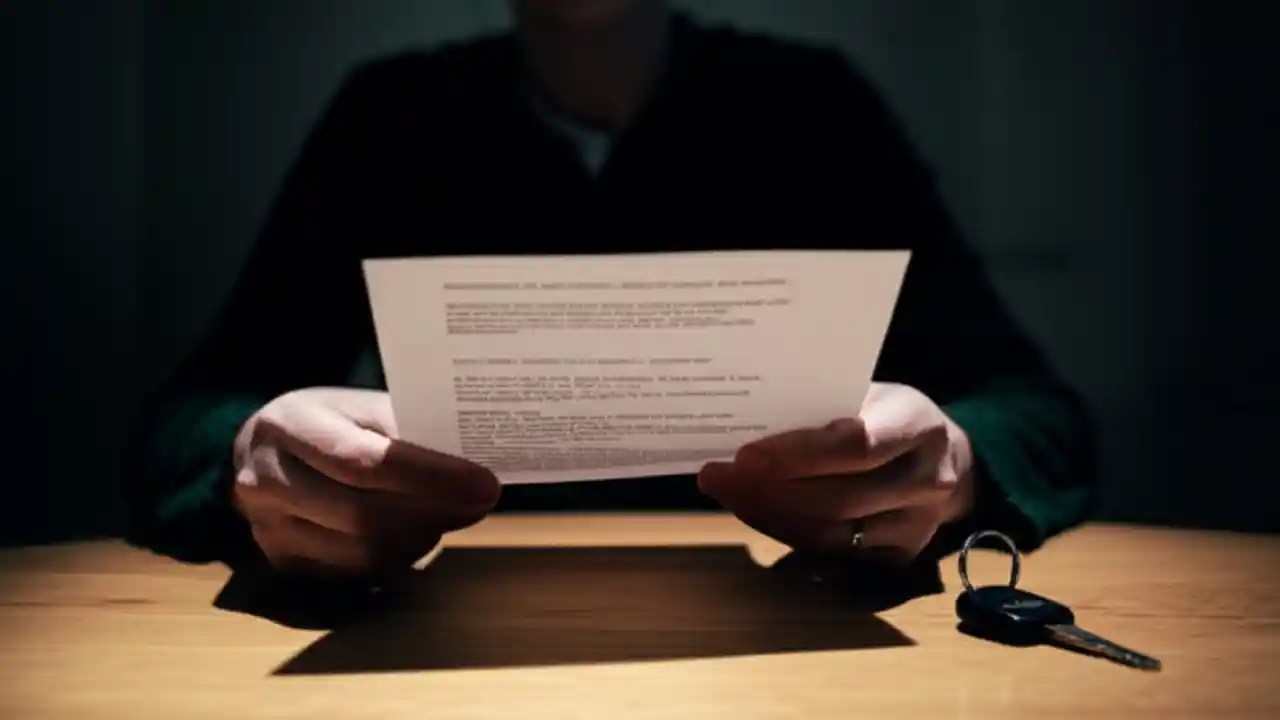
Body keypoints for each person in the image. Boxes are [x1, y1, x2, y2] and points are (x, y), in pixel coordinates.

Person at [124, 0, 1095, 579]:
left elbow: (1037, 415)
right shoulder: (391, 119)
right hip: (438, 651)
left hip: (797, 643)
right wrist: (255, 460)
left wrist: (950, 464)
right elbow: (179, 428)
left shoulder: (812, 108)